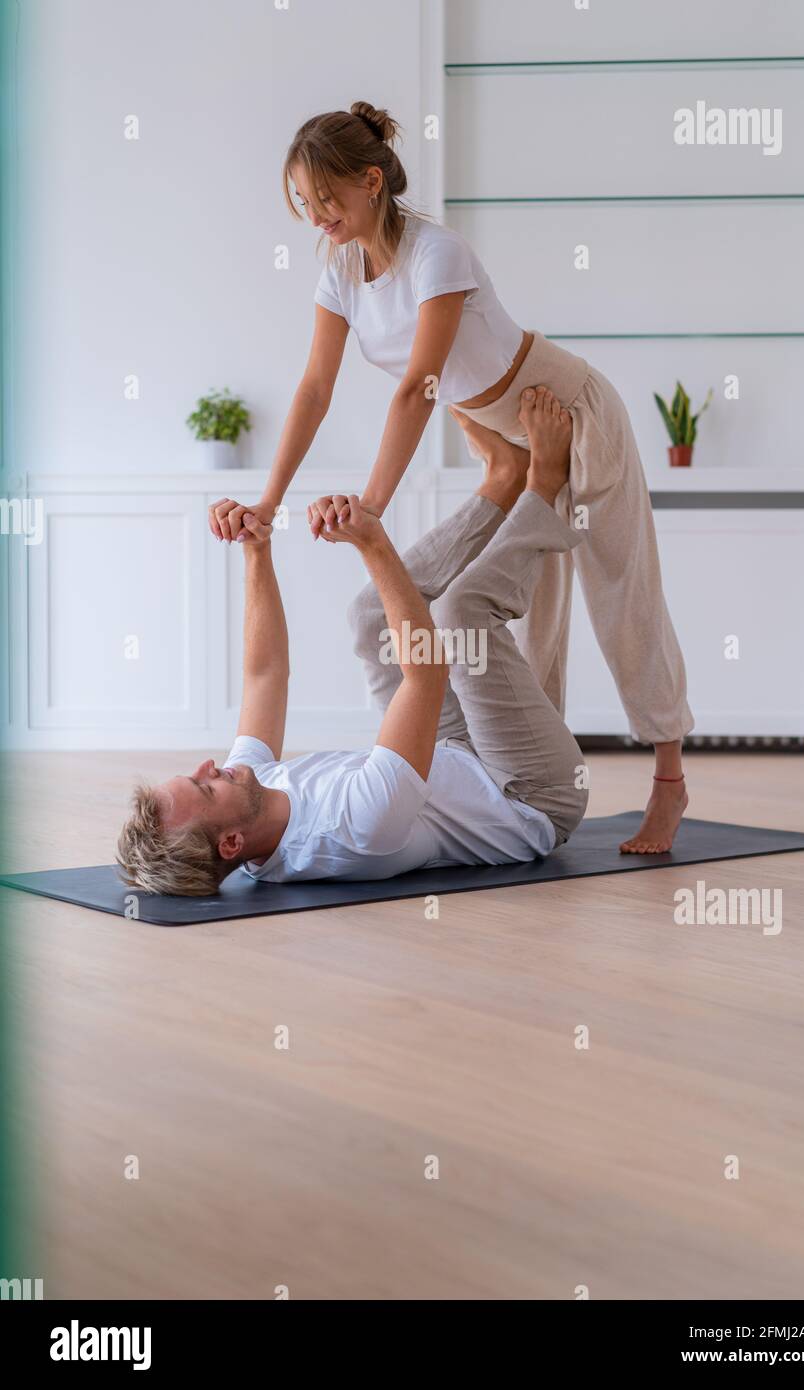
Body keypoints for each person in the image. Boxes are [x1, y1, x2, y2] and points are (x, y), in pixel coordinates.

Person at [209, 100, 693, 854]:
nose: (316, 218)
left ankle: (669, 781)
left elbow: (417, 387)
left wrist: (369, 509)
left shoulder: (438, 254)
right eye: (303, 203)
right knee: (525, 625)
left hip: (567, 410)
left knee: (618, 591)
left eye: (327, 199)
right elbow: (313, 390)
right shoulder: (340, 271)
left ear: (372, 182)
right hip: (502, 430)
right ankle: (536, 787)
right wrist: (267, 504)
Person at [117, 391, 587, 897]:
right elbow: (426, 676)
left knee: (368, 617)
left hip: (450, 754)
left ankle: (501, 481)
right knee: (460, 615)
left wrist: (257, 550)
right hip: (522, 791)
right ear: (231, 843)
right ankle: (543, 484)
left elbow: (265, 674)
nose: (208, 767)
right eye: (204, 786)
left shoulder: (248, 796)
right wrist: (372, 542)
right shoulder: (355, 829)